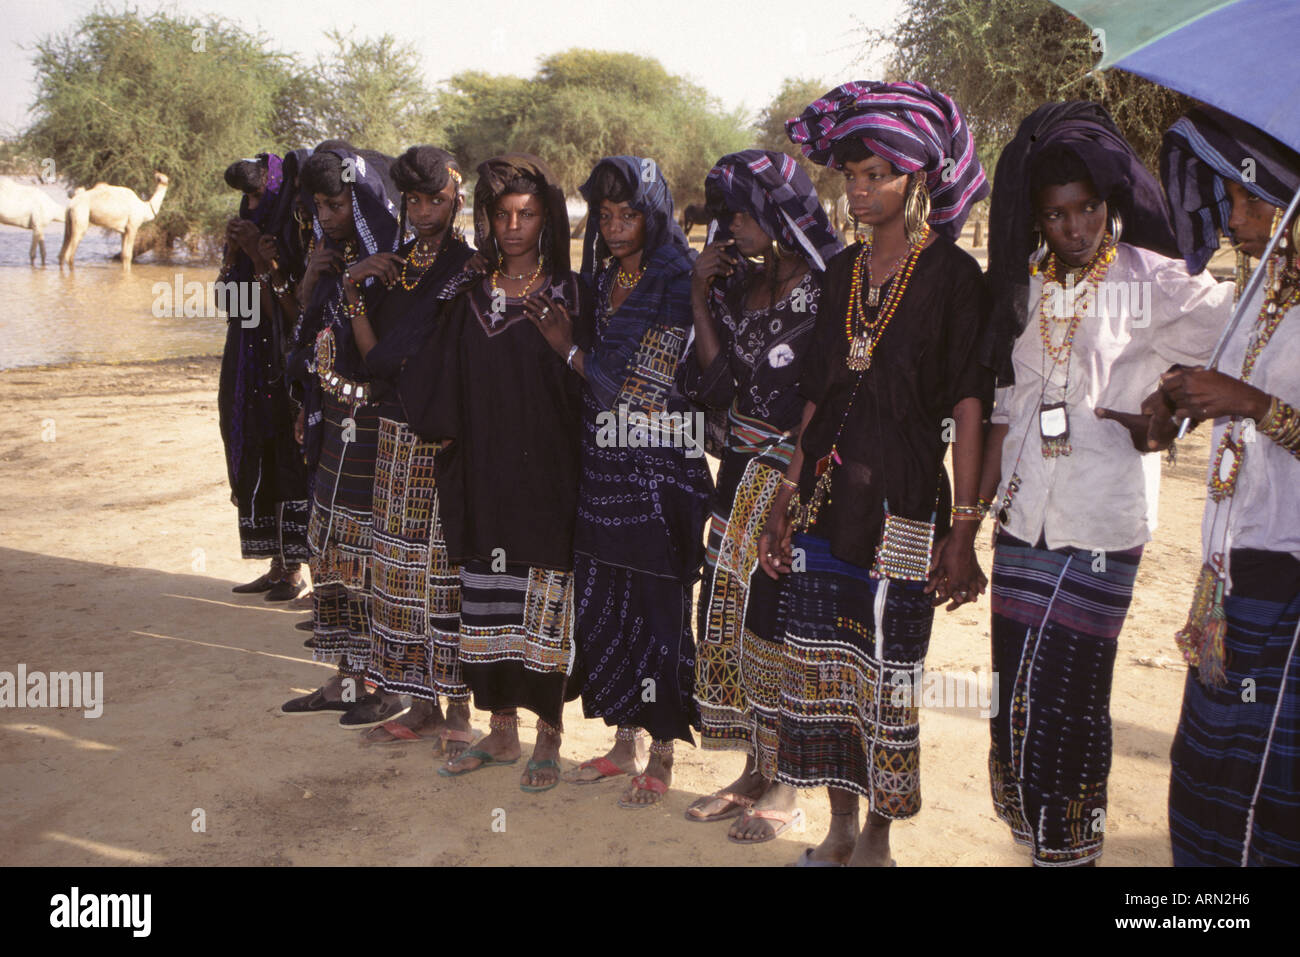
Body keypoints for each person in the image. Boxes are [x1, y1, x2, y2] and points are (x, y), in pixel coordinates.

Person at [979, 102, 1234, 867]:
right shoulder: (1017, 288)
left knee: (1067, 702)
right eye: (1057, 214)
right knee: (1011, 701)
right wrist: (968, 521)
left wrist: (1168, 410)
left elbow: (1232, 344)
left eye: (1088, 208)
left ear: (1108, 206)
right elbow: (1002, 405)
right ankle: (1036, 846)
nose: (1075, 226)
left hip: (1103, 520)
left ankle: (1072, 851)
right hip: (1024, 516)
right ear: (1038, 217)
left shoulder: (1153, 279)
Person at [756, 80, 991, 866]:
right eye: (850, 177)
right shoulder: (840, 273)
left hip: (905, 503)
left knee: (888, 672)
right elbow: (816, 396)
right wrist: (785, 497)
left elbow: (967, 406)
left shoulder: (955, 278)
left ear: (916, 180)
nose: (858, 191)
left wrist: (964, 531)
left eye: (875, 176)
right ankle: (839, 825)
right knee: (821, 667)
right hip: (828, 502)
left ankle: (880, 838)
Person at [526, 155, 711, 807]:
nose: (613, 225)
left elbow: (643, 395)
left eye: (627, 213)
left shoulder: (674, 280)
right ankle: (626, 740)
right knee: (610, 603)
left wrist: (567, 350)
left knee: (659, 612)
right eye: (604, 216)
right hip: (604, 474)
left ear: (653, 213)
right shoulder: (605, 278)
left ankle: (662, 752)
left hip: (659, 478)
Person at [402, 154, 589, 793]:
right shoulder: (469, 295)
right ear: (487, 219)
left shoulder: (570, 293)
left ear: (547, 219)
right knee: (488, 605)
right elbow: (433, 371)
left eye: (528, 214)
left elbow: (590, 386)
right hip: (481, 474)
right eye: (503, 214)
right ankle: (502, 730)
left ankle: (549, 739)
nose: (514, 226)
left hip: (549, 479)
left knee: (544, 608)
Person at [677, 149, 843, 839]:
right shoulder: (737, 290)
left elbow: (827, 392)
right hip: (737, 470)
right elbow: (715, 386)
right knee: (727, 612)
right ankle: (751, 765)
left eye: (747, 216)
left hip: (792, 480)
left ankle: (785, 784)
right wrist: (697, 294)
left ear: (779, 214)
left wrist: (791, 480)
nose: (737, 228)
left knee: (778, 622)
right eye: (731, 217)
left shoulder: (828, 284)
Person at [1158, 106, 1300, 866]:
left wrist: (1249, 402)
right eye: (1232, 198)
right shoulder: (1258, 299)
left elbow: (1259, 410)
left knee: (1270, 783)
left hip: (1289, 578)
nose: (1236, 218)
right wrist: (1180, 397)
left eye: (1252, 201)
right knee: (1206, 769)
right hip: (1229, 576)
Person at [323, 145, 480, 754]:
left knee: (443, 575)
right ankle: (422, 701)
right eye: (412, 199)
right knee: (398, 572)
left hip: (443, 440)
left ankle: (460, 709)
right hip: (392, 437)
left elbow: (389, 358)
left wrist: (362, 293)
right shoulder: (395, 264)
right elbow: (371, 358)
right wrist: (355, 288)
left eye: (434, 199)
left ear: (456, 200)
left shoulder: (469, 270)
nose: (421, 211)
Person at [279, 144, 401, 722]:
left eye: (334, 204)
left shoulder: (393, 264)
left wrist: (352, 284)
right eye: (318, 206)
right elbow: (305, 342)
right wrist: (311, 279)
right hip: (332, 427)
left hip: (378, 433)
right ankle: (345, 678)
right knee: (329, 550)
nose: (324, 217)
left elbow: (388, 361)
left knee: (372, 556)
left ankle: (389, 683)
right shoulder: (333, 257)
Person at [217, 153, 311, 602]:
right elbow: (231, 306)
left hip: (279, 361)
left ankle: (294, 569)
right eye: (247, 198)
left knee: (284, 454)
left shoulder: (292, 233)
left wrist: (261, 258)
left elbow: (290, 313)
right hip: (244, 358)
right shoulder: (250, 232)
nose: (251, 204)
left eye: (258, 195)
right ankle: (277, 564)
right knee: (251, 445)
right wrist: (234, 252)